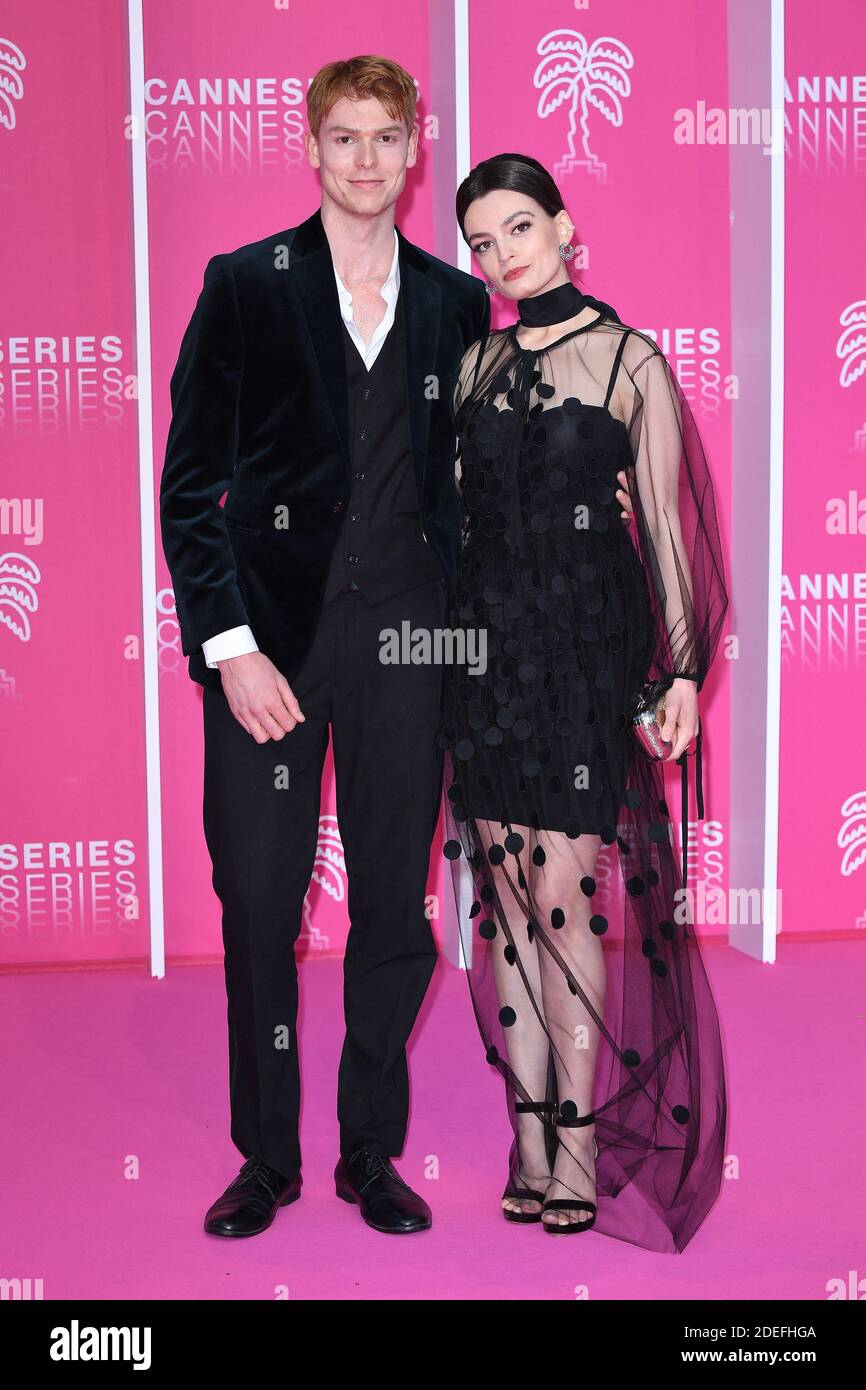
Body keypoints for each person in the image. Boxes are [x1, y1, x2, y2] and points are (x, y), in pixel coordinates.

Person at [159, 56, 495, 1238]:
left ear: (414, 150)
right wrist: (231, 647)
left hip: (408, 639)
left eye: (384, 137)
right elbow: (189, 488)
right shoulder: (245, 284)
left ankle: (367, 1152)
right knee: (258, 902)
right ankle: (266, 1158)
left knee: (393, 909)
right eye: (343, 137)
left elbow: (469, 486)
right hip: (271, 648)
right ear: (310, 147)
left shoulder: (455, 302)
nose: (364, 159)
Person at [438, 154, 729, 1250]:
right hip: (486, 657)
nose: (501, 254)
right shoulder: (472, 368)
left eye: (519, 227)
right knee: (508, 904)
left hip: (583, 653)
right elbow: (454, 522)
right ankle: (526, 1142)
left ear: (563, 227)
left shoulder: (629, 360)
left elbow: (665, 527)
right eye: (481, 241)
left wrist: (682, 671)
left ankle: (575, 1146)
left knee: (564, 900)